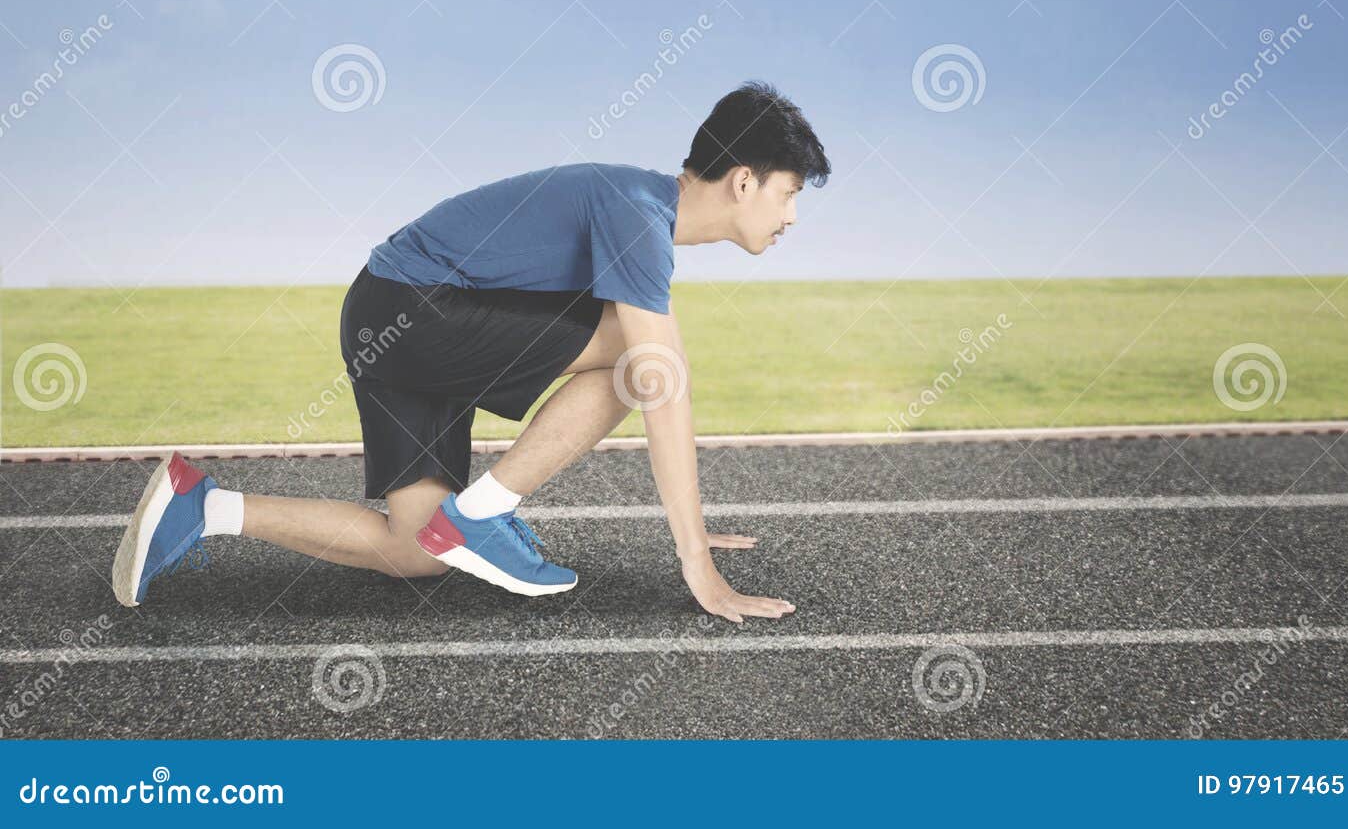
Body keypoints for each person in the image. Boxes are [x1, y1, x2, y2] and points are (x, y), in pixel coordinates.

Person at [111, 81, 831, 625]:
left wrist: (694, 525)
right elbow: (662, 388)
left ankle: (201, 506)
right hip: (410, 311)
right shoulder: (638, 214)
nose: (794, 214)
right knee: (643, 361)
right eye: (790, 191)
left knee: (417, 550)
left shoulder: (638, 209)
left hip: (391, 311)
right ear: (744, 180)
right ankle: (481, 513)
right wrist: (696, 562)